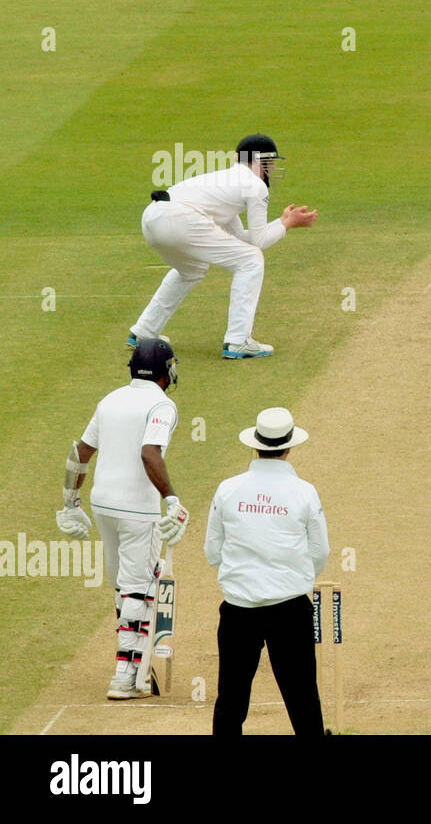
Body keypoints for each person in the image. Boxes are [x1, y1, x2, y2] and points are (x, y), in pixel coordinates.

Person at [58, 337, 189, 700]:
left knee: (126, 585)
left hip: (103, 504)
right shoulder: (162, 406)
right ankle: (126, 675)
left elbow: (79, 452)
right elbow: (150, 453)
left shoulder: (110, 399)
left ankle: (133, 662)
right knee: (139, 587)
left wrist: (70, 502)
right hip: (138, 508)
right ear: (166, 371)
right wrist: (172, 500)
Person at [127, 133, 319, 360]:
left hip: (152, 218)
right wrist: (287, 224)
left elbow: (239, 237)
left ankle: (144, 331)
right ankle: (238, 341)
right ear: (260, 161)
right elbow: (258, 243)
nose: (273, 168)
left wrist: (282, 222)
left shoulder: (225, 183)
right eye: (271, 163)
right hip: (181, 219)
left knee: (192, 269)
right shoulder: (255, 185)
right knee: (251, 260)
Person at [205, 407, 329, 735]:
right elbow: (320, 553)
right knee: (302, 697)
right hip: (290, 609)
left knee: (230, 700)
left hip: (238, 610)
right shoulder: (304, 491)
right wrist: (293, 578)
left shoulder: (227, 489)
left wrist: (244, 577)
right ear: (289, 447)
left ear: (255, 444)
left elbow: (212, 553)